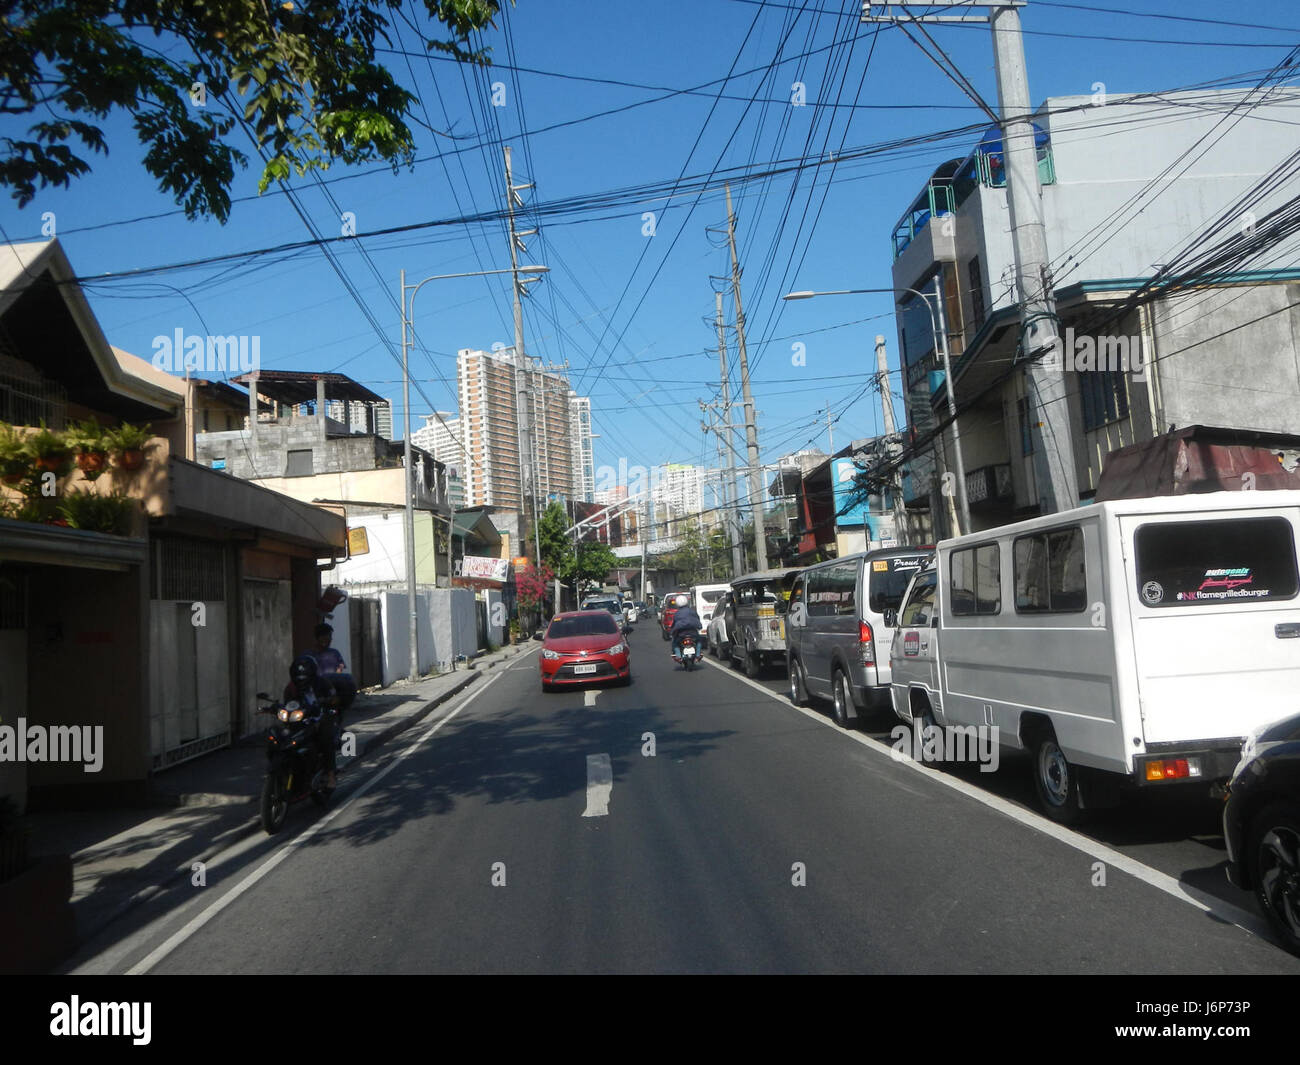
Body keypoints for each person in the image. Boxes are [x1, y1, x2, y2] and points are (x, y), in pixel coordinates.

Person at [283, 654, 338, 789]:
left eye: (305, 673)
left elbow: (334, 697)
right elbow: (286, 704)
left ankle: (330, 775)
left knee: (326, 738)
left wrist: (326, 702)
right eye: (298, 673)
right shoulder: (291, 688)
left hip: (320, 717)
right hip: (299, 720)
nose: (301, 677)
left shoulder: (322, 683)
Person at [307, 623, 356, 726]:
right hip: (315, 691)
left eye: (330, 637)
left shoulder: (334, 653)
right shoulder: (309, 655)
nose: (328, 639)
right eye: (324, 636)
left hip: (332, 691)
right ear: (317, 638)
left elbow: (340, 669)